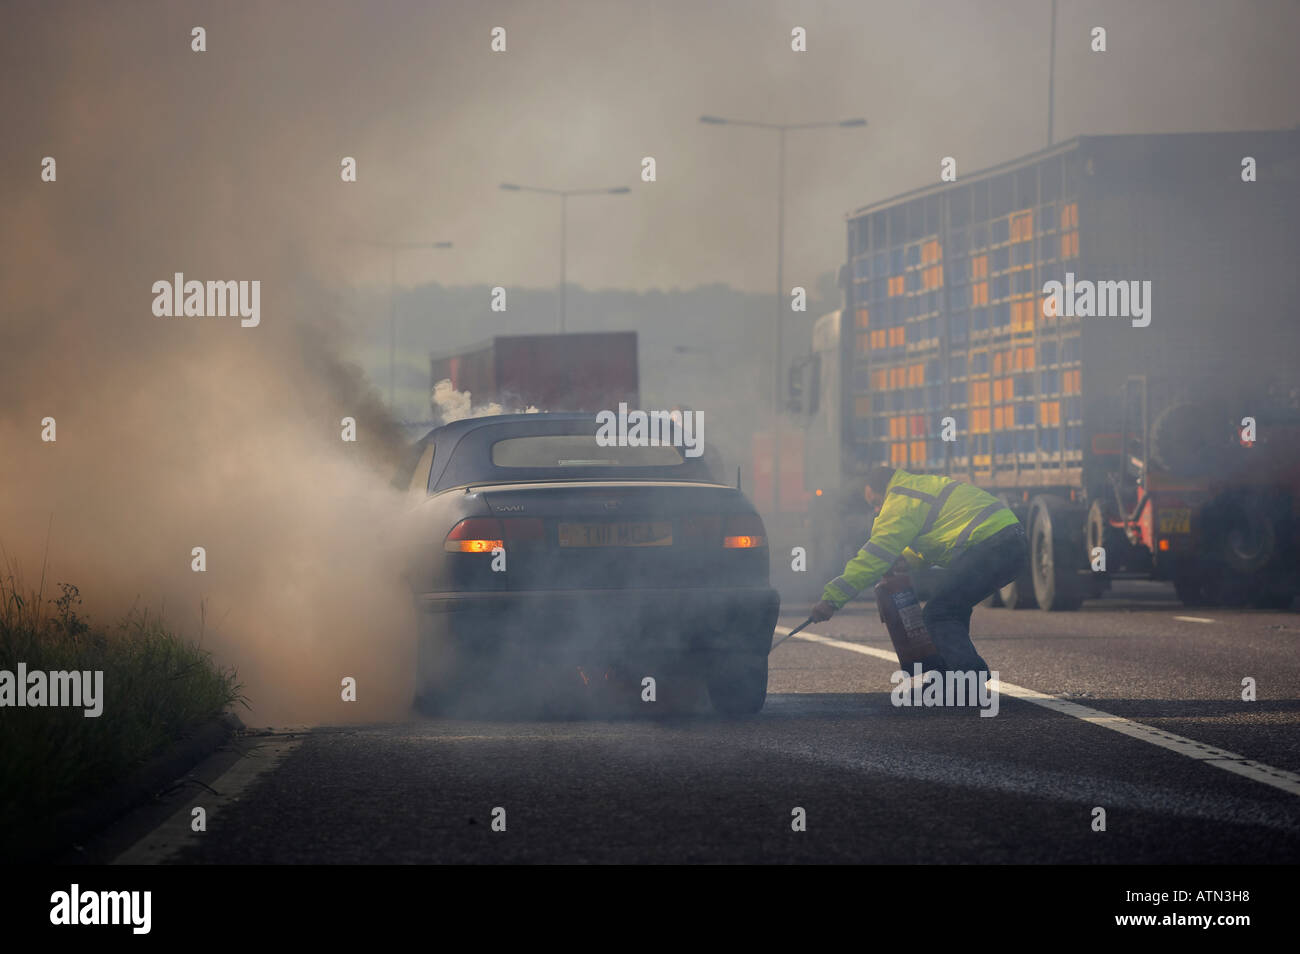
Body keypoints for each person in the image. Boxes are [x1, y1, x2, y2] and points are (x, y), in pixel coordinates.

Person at [810, 464, 1028, 677]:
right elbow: (939, 535)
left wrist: (832, 599)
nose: (876, 510)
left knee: (939, 613)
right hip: (1011, 542)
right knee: (952, 608)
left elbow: (873, 558)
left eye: (876, 503)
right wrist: (908, 560)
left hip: (991, 545)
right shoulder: (919, 487)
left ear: (882, 489)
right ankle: (948, 679)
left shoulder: (900, 501)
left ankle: (969, 678)